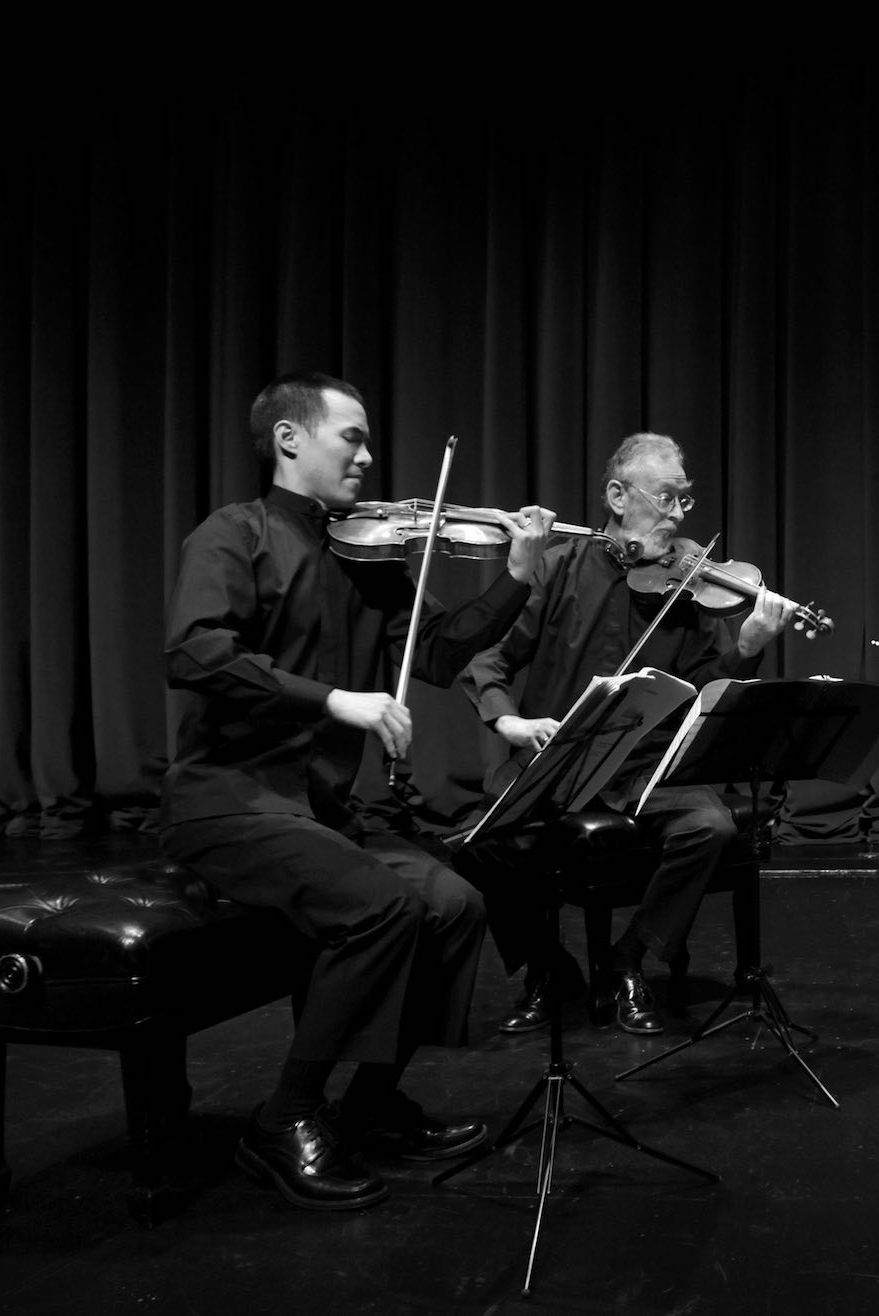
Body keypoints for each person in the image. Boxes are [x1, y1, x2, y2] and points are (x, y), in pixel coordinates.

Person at [160, 371, 554, 1212]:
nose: (370, 458)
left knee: (454, 903)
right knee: (380, 905)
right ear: (290, 439)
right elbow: (193, 651)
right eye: (354, 438)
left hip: (321, 808)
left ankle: (370, 1105)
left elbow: (443, 653)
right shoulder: (236, 534)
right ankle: (285, 1116)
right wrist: (334, 699)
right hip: (230, 802)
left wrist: (517, 575)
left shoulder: (364, 554)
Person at [458, 432, 790, 1036]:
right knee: (476, 846)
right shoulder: (557, 567)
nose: (680, 515)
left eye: (685, 501)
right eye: (666, 498)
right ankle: (549, 970)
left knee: (709, 826)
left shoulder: (690, 585)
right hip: (557, 758)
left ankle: (627, 959)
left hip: (646, 765)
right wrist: (510, 719)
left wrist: (745, 650)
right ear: (617, 496)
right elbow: (490, 660)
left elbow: (705, 691)